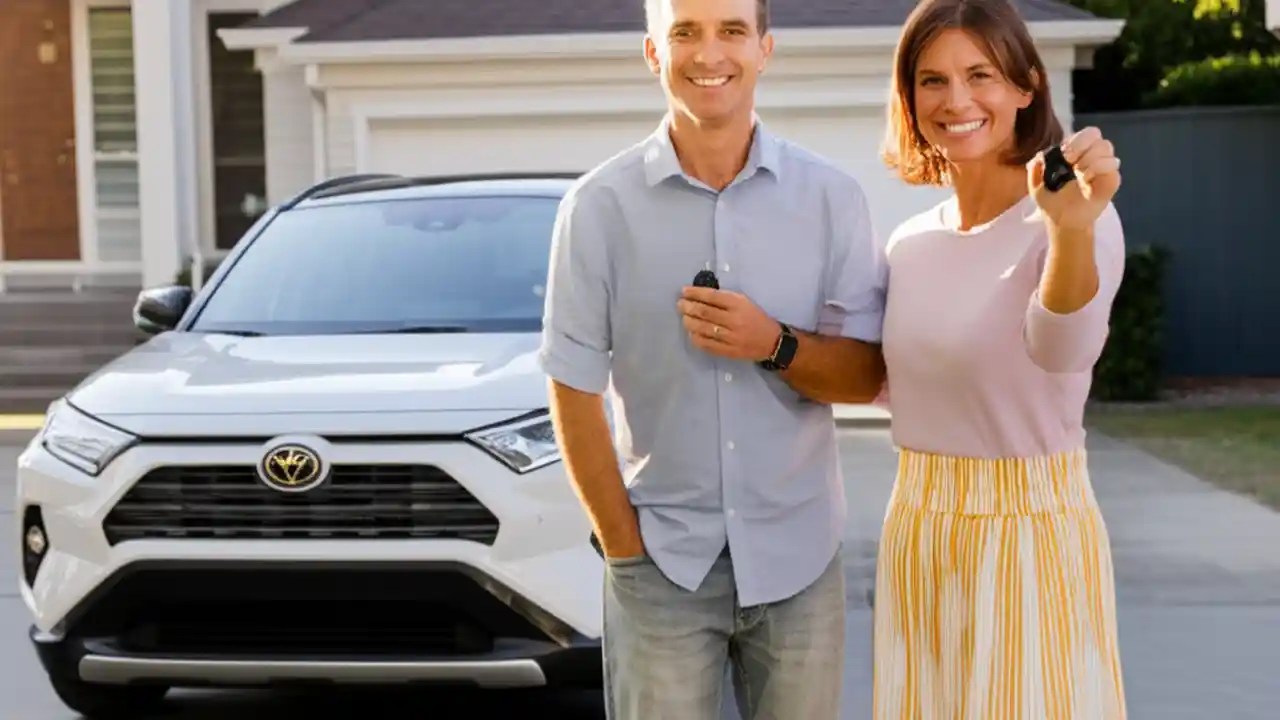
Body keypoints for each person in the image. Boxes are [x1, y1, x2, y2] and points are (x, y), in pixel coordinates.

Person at [537, 0, 888, 716]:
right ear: (651, 52)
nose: (709, 54)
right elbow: (572, 391)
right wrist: (623, 547)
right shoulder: (597, 208)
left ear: (765, 49)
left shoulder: (831, 199)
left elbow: (866, 375)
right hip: (661, 563)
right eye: (685, 33)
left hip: (799, 561)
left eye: (731, 31)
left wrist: (775, 344)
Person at [872, 0, 1128, 717]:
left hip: (1027, 530)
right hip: (918, 525)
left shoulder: (1076, 216)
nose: (956, 100)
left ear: (1026, 86)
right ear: (909, 97)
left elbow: (1064, 351)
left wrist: (1070, 231)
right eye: (932, 80)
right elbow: (899, 386)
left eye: (979, 74)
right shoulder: (910, 241)